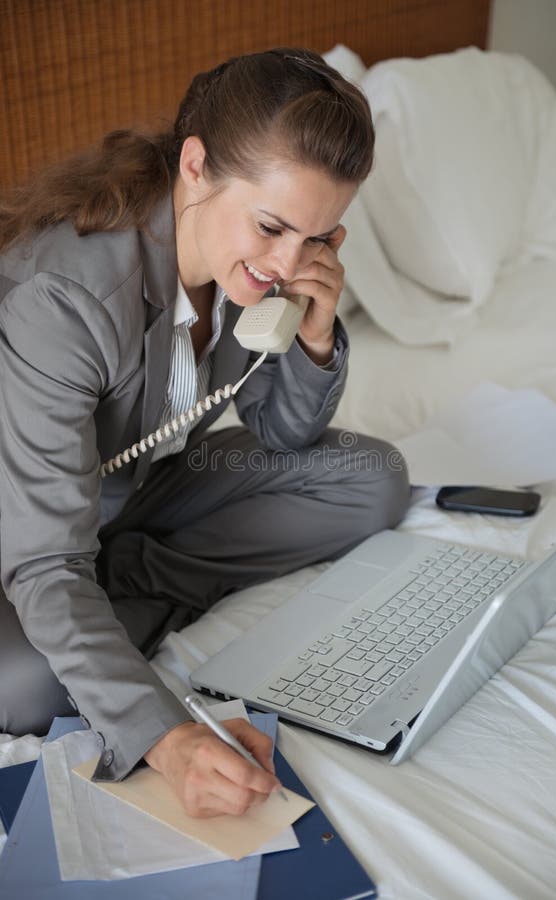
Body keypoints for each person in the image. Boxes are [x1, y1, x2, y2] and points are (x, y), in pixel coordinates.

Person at [0, 47, 409, 818]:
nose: (289, 262)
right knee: (24, 686)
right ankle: (112, 616)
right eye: (271, 225)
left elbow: (283, 435)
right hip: (23, 540)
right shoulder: (63, 299)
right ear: (195, 165)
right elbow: (45, 556)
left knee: (370, 477)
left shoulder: (249, 270)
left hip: (129, 498)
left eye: (318, 237)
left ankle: (128, 593)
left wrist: (312, 337)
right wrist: (166, 734)